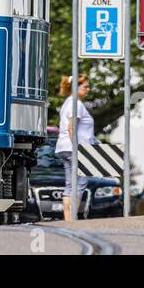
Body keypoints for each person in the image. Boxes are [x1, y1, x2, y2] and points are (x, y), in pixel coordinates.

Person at [55, 75, 94, 221]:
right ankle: (73, 218)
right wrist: (78, 149)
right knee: (80, 183)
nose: (88, 90)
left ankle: (68, 219)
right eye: (85, 87)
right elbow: (72, 127)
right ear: (75, 87)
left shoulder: (68, 102)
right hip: (74, 148)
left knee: (70, 185)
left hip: (63, 147)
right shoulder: (76, 104)